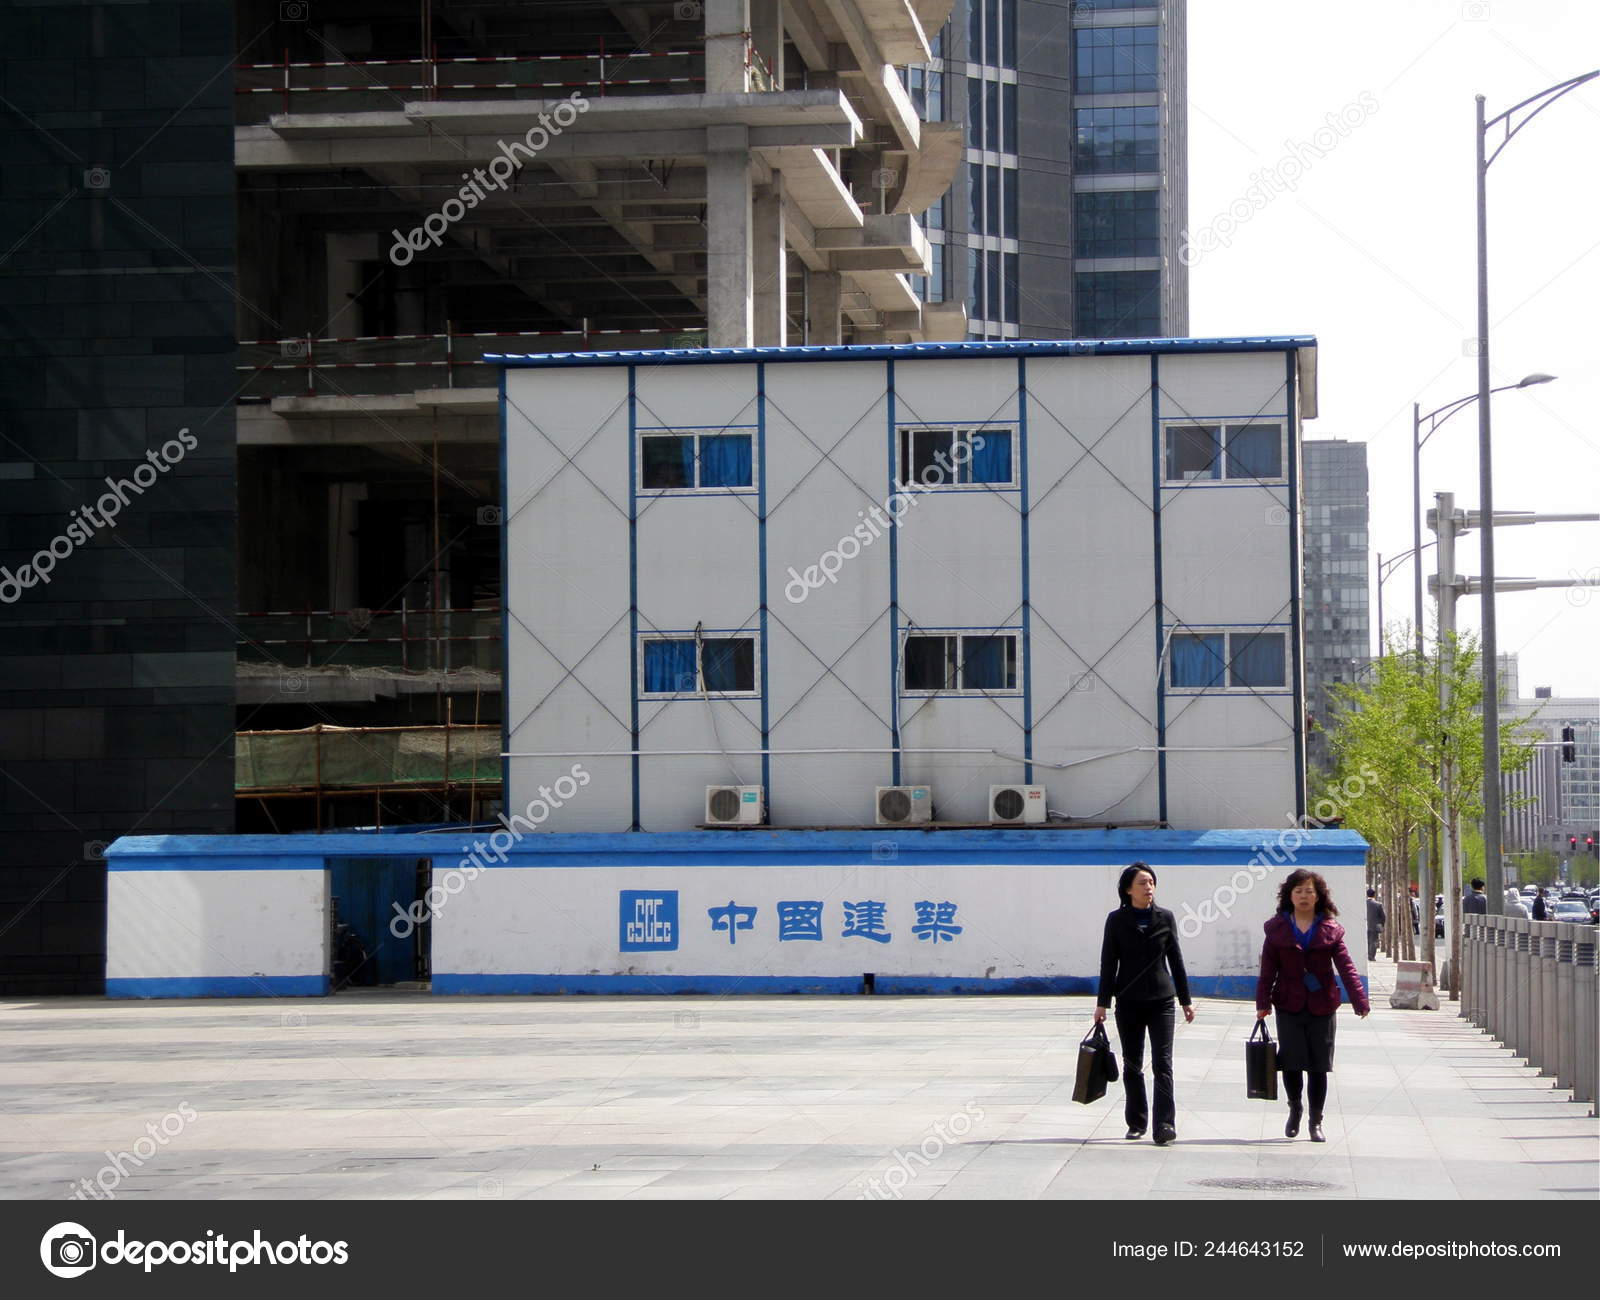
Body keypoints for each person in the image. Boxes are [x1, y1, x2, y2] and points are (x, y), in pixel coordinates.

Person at [1255, 869, 1370, 1142]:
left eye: (1309, 891)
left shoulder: (1331, 930)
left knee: (1319, 1065)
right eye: (1298, 891)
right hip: (1289, 1004)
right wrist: (1263, 1003)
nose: (1304, 896)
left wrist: (1359, 999)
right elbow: (1267, 969)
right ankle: (1295, 1108)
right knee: (1291, 1061)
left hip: (1323, 1005)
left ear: (1319, 896)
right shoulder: (1277, 929)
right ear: (1289, 896)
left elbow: (1347, 967)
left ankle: (1316, 1121)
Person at [1094, 863, 1195, 1146]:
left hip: (1162, 1000)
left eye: (1151, 882)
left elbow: (1176, 961)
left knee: (1163, 1064)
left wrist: (1186, 1000)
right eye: (1142, 883)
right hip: (1128, 1001)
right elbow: (1108, 963)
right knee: (1132, 1063)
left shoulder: (1166, 917)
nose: (1148, 887)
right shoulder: (1115, 920)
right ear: (1128, 889)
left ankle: (1164, 1124)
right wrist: (1102, 1003)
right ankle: (1136, 1122)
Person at [1365, 888, 1385, 962]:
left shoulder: (1362, 903)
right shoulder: (1378, 904)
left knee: (1367, 941)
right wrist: (1381, 924)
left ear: (1367, 894)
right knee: (1373, 941)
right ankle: (1371, 956)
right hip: (1374, 926)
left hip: (1365, 925)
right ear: (1374, 895)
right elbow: (1383, 916)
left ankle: (1367, 955)